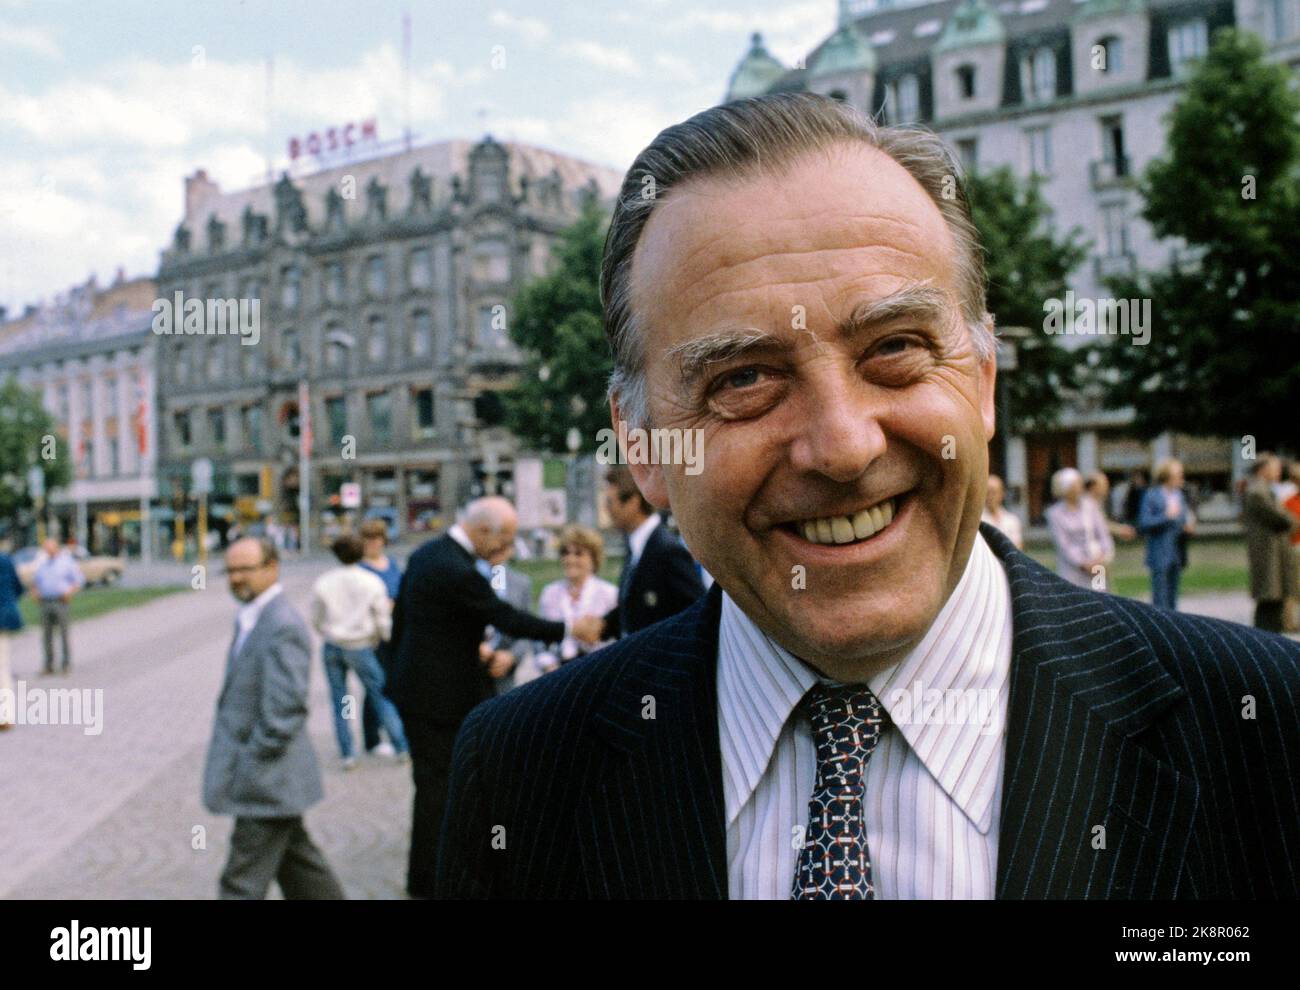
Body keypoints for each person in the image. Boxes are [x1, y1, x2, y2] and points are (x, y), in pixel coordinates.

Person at [436, 94, 1300, 900]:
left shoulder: (1272, 733)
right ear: (643, 445)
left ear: (984, 380)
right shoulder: (522, 770)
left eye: (895, 347)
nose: (845, 446)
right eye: (744, 377)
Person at [387, 496, 603, 899]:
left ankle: (429, 877)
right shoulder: (455, 569)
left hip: (418, 692)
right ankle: (433, 882)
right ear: (484, 531)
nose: (505, 549)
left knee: (434, 784)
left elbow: (401, 625)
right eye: (503, 539)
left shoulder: (427, 554)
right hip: (439, 699)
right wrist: (571, 628)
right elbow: (505, 618)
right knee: (439, 788)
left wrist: (394, 678)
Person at [201, 537, 344, 899]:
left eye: (245, 569)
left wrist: (252, 762)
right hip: (271, 778)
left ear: (271, 568)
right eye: (230, 570)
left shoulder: (281, 623)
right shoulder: (253, 616)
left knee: (241, 882)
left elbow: (285, 709)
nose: (236, 578)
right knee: (301, 869)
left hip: (268, 778)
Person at [311, 534, 408, 769]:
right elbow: (382, 618)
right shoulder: (371, 582)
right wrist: (382, 637)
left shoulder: (325, 582)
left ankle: (347, 752)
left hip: (334, 645)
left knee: (342, 699)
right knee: (380, 695)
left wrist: (326, 631)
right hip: (361, 645)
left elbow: (316, 618)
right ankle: (400, 745)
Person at [599, 465, 705, 639]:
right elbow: (634, 605)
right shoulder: (636, 546)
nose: (607, 510)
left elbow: (697, 611)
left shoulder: (667, 551)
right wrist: (603, 624)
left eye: (610, 502)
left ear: (633, 502)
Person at [532, 525, 619, 676]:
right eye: (565, 552)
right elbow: (540, 641)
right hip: (557, 674)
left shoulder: (609, 593)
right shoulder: (550, 593)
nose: (570, 559)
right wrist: (549, 666)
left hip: (598, 672)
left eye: (578, 554)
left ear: (594, 559)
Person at [358, 518, 403, 756]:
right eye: (368, 539)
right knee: (375, 684)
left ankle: (393, 728)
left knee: (393, 681)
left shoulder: (391, 564)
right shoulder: (360, 569)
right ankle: (372, 737)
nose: (373, 544)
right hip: (373, 633)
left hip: (394, 631)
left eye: (376, 538)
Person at [1242, 454, 1300, 632]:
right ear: (1263, 469)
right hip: (1267, 554)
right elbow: (1279, 517)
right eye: (1275, 468)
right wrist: (1295, 521)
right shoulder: (1258, 491)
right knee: (1269, 600)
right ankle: (1265, 640)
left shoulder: (1265, 489)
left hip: (1273, 553)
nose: (1278, 472)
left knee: (1274, 601)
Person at [1136, 459, 1195, 611]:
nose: (1182, 477)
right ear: (1168, 476)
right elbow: (1144, 523)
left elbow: (1182, 518)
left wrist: (1187, 524)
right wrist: (1166, 516)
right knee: (1160, 600)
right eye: (1178, 474)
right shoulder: (1151, 495)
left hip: (1177, 552)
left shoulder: (1179, 495)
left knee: (1173, 597)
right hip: (1159, 553)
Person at [1044, 468, 1114, 590]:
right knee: (1076, 601)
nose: (1079, 488)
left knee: (1102, 599)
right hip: (1073, 569)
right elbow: (1064, 544)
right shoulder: (1054, 513)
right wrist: (1084, 564)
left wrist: (1103, 557)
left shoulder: (1091, 506)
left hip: (1098, 564)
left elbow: (1103, 533)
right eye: (1075, 485)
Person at [33, 536, 84, 675]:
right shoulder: (42, 564)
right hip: (45, 602)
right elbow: (36, 581)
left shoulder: (66, 563)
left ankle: (66, 663)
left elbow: (79, 580)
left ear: (56, 548)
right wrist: (35, 592)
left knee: (63, 633)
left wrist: (69, 591)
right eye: (45, 548)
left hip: (61, 601)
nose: (47, 551)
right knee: (46, 635)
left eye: (49, 548)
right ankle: (48, 665)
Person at [0, 542, 24, 731]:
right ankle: (5, 716)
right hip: (4, 619)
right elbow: (17, 587)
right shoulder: (6, 560)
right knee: (3, 668)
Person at [1084, 471, 1136, 543]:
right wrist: (1120, 530)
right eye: (1104, 484)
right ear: (1093, 486)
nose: (1107, 488)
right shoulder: (1086, 505)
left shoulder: (1095, 503)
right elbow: (1099, 525)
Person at [980, 474, 1022, 549]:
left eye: (994, 492)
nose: (990, 496)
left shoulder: (1012, 520)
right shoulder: (977, 521)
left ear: (1002, 494)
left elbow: (1017, 548)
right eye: (987, 492)